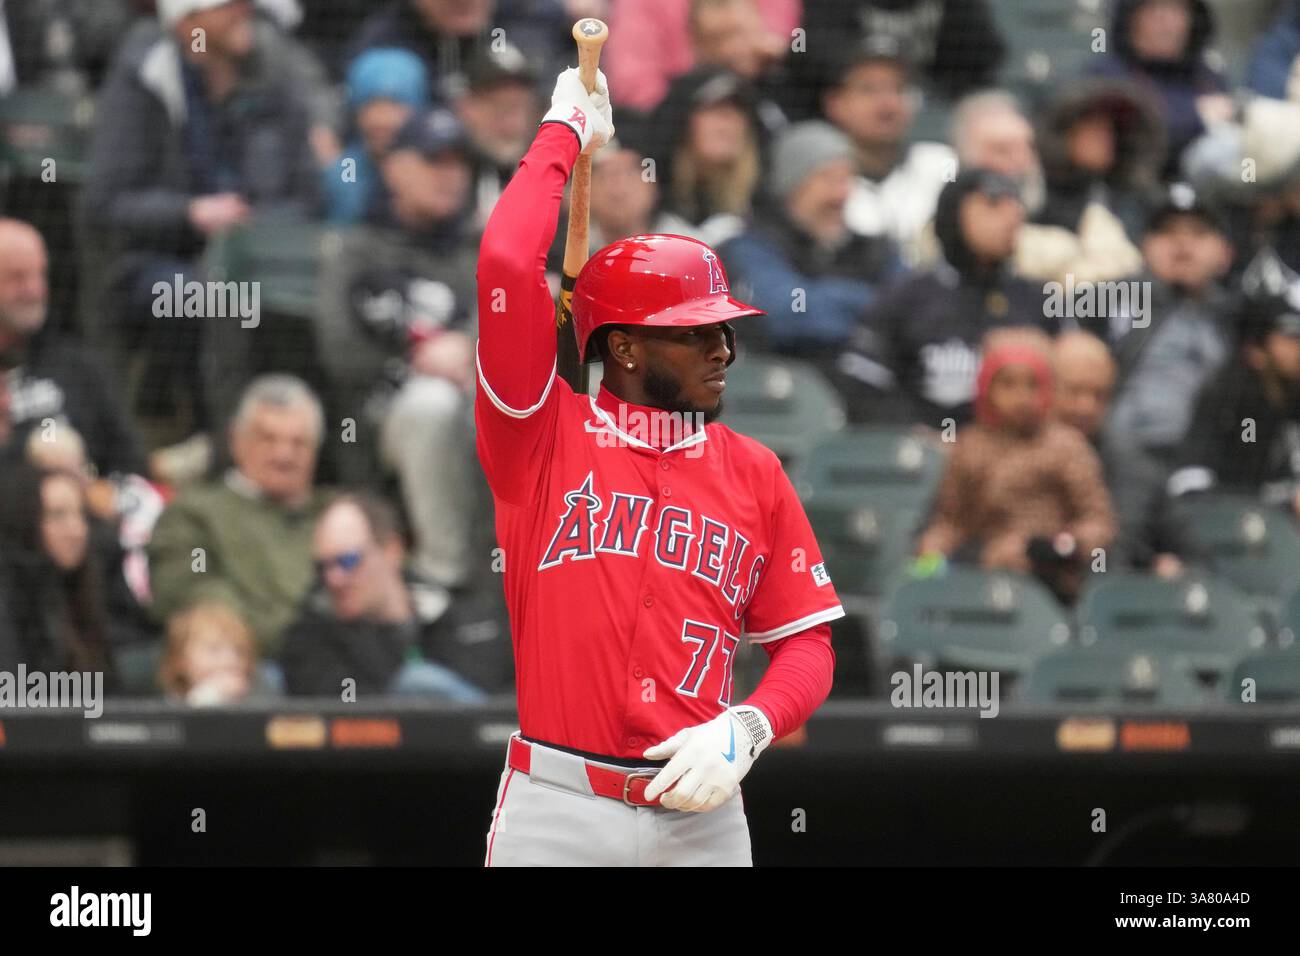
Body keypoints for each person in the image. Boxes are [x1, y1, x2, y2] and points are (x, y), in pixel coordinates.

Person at [476, 67, 842, 866]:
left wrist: (749, 727)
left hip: (701, 819)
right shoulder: (538, 435)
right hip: (558, 812)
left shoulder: (755, 470)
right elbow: (508, 261)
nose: (722, 349)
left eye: (725, 330)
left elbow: (809, 648)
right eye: (694, 332)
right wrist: (564, 130)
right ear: (625, 346)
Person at [83, 0, 325, 425]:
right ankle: (217, 440)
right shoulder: (144, 75)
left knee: (323, 296)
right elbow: (106, 202)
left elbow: (309, 188)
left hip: (265, 254)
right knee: (218, 300)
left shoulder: (275, 69)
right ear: (187, 20)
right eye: (228, 7)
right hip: (159, 262)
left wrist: (261, 225)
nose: (244, 13)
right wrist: (191, 213)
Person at [315, 106, 483, 590]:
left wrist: (468, 347)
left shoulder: (478, 250)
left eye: (458, 164)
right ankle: (442, 572)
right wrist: (419, 362)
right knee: (432, 405)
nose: (450, 176)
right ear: (394, 168)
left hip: (477, 398)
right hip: (381, 414)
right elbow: (339, 354)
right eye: (435, 161)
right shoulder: (355, 249)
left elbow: (516, 324)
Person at [836, 168, 1058, 427]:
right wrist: (918, 437)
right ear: (953, 213)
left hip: (1020, 456)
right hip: (922, 456)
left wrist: (1048, 356)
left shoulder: (1039, 298)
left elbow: (1079, 393)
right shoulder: (905, 296)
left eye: (1016, 206)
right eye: (993, 204)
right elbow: (862, 382)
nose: (1012, 217)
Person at [916, 330, 1116, 602]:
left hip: (1050, 579)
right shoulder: (969, 445)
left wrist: (1051, 548)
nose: (1021, 397)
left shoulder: (1067, 446)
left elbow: (1098, 521)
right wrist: (935, 548)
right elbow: (952, 518)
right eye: (1008, 384)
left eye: (1032, 385)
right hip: (979, 575)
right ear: (987, 387)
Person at [146, 375, 333, 656]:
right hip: (250, 667)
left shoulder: (340, 515)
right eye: (268, 439)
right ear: (237, 440)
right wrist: (298, 642)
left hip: (348, 665)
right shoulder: (193, 513)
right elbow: (190, 593)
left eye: (299, 443)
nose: (284, 455)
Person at [279, 494, 510, 699]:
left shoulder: (467, 618)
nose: (334, 579)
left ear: (392, 551)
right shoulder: (312, 644)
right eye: (323, 567)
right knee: (419, 682)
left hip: (489, 744)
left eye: (348, 561)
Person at [719, 120, 901, 378]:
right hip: (785, 394)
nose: (841, 194)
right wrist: (875, 307)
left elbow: (916, 310)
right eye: (827, 178)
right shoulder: (750, 247)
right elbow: (786, 314)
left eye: (847, 179)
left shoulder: (874, 250)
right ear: (791, 187)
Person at [0, 218, 147, 479]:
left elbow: (131, 461)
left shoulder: (77, 365)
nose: (34, 290)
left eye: (39, 274)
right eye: (17, 277)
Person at [1103, 184, 1236, 464]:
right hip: (1121, 456)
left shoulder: (1243, 318)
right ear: (1142, 247)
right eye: (1166, 232)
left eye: (1199, 233)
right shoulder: (1105, 303)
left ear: (1226, 253)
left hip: (1212, 464)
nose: (1182, 245)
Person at [1052, 330, 1188, 576]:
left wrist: (1173, 568)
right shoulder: (1005, 459)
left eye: (1099, 395)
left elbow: (1192, 557)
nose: (1086, 406)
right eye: (1074, 391)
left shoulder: (1138, 471)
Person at [823, 36, 956, 267]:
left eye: (899, 89)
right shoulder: (816, 180)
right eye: (869, 89)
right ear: (836, 104)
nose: (887, 103)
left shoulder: (943, 164)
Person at [1169, 291, 1300, 512]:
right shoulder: (1237, 407)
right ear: (1255, 351)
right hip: (1232, 523)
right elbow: (1196, 483)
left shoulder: (1291, 401)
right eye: (1291, 337)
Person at [1086, 0, 1230, 176]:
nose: (1168, 25)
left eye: (1178, 12)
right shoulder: (1104, 77)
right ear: (1130, 19)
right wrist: (1196, 116)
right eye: (1156, 12)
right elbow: (1124, 144)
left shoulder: (1207, 77)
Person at [0, 463, 116, 682]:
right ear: (26, 522)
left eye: (81, 514)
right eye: (57, 515)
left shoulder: (87, 592)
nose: (77, 530)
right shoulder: (9, 603)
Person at [322, 47, 430, 225]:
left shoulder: (439, 168)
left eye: (395, 105)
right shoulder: (346, 170)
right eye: (371, 105)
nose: (382, 120)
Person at [159, 602, 259, 705]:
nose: (231, 660)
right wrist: (212, 694)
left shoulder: (260, 695)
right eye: (214, 650)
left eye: (239, 652)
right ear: (180, 659)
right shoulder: (171, 705)